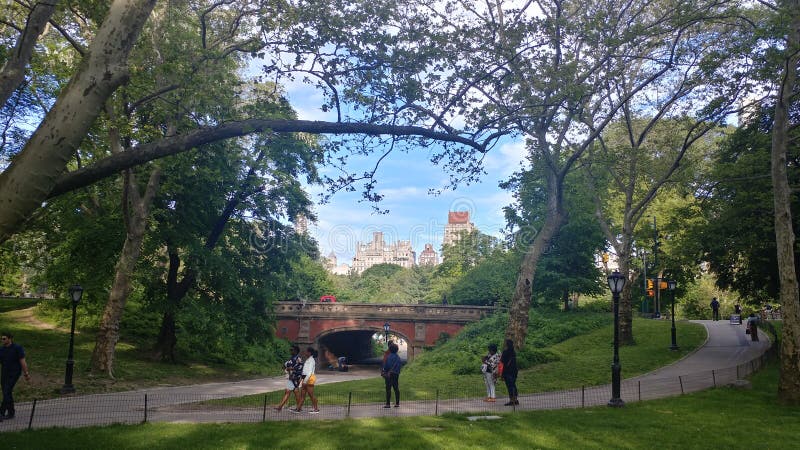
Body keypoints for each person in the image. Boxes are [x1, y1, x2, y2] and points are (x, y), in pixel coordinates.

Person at [0, 332, 30, 420]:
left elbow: (22, 361)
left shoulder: (17, 348)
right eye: (1, 339)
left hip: (14, 373)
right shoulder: (1, 349)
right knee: (7, 392)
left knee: (7, 391)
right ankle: (11, 413)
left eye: (4, 339)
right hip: (4, 373)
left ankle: (1, 412)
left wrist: (26, 374)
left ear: (10, 339)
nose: (2, 340)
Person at [274, 345, 303, 411]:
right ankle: (299, 407)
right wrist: (287, 368)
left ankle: (280, 407)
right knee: (295, 392)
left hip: (294, 378)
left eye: (292, 350)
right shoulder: (291, 358)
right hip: (291, 378)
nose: (290, 351)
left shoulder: (298, 359)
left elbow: (299, 368)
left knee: (288, 392)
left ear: (295, 351)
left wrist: (290, 368)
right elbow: (285, 366)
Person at [291, 346, 320, 414]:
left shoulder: (311, 360)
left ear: (309, 353)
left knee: (311, 395)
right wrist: (302, 379)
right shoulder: (308, 360)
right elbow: (305, 371)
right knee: (302, 396)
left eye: (306, 351)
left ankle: (316, 409)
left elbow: (309, 372)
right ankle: (298, 409)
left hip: (309, 379)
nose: (305, 353)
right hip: (305, 379)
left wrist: (305, 381)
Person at [383, 342, 402, 408]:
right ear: (397, 350)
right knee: (396, 388)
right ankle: (397, 403)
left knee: (388, 389)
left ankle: (388, 404)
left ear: (390, 349)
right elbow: (399, 366)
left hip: (389, 374)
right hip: (396, 374)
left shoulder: (388, 357)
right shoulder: (398, 358)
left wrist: (385, 371)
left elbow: (386, 366)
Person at [500, 339, 519, 406]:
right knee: (513, 385)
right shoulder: (513, 352)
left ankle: (511, 400)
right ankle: (515, 399)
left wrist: (502, 374)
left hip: (507, 371)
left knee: (509, 386)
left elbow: (502, 363)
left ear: (506, 345)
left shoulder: (505, 352)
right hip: (514, 371)